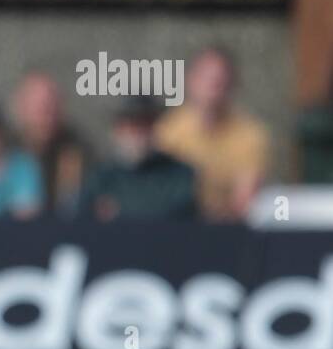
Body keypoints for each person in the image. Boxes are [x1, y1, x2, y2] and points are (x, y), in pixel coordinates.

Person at [155, 47, 270, 222]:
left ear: (233, 86)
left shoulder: (250, 135)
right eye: (207, 79)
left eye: (220, 81)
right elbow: (158, 192)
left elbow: (244, 201)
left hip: (229, 231)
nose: (213, 88)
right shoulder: (167, 131)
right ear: (190, 81)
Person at [77, 97, 197, 221]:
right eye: (132, 126)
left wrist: (120, 212)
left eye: (145, 125)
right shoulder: (100, 176)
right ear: (117, 129)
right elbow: (82, 218)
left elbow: (179, 212)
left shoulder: (178, 174)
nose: (138, 135)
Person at [10, 71, 88, 215]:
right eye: (40, 108)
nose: (47, 115)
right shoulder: (4, 153)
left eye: (52, 106)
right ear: (21, 109)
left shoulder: (76, 153)